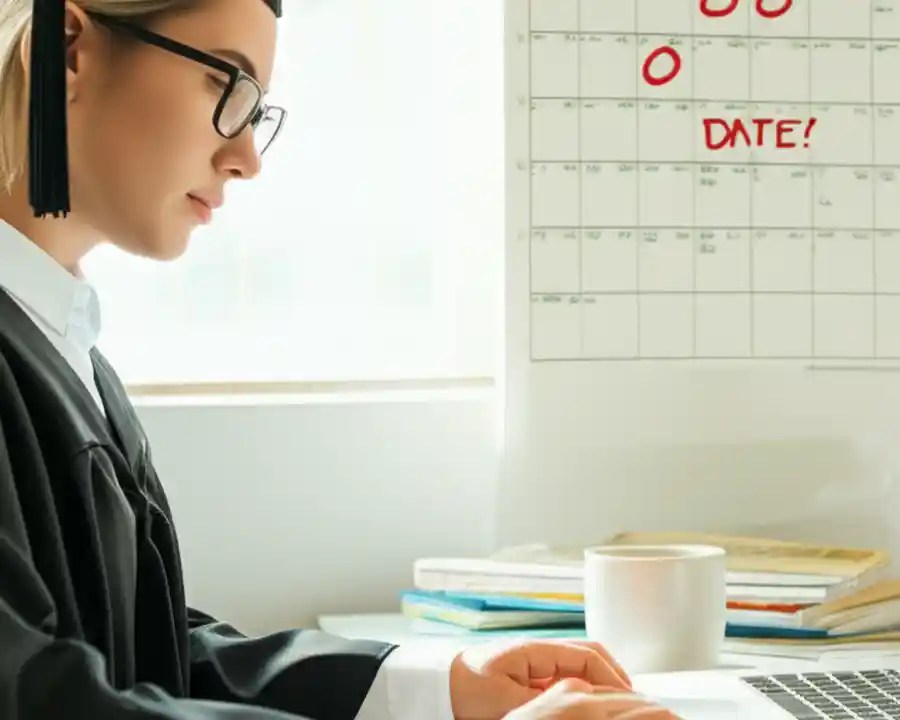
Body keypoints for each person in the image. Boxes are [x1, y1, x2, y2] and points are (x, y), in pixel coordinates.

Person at [0, 1, 679, 718]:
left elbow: (151, 662)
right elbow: (40, 697)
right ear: (68, 51)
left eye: (257, 111)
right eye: (224, 84)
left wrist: (441, 689)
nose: (247, 158)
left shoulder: (64, 347)